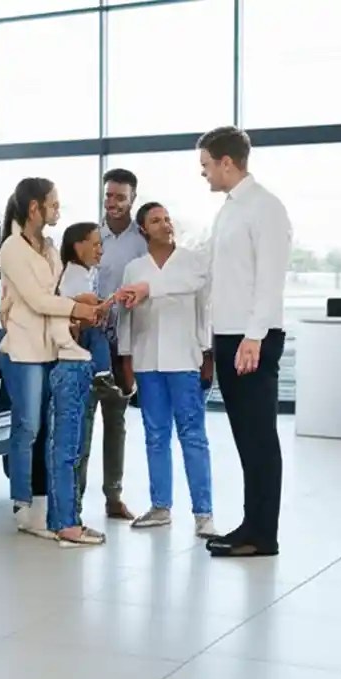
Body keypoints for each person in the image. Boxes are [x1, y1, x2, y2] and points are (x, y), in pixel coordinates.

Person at [119, 127, 292, 558]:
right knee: (246, 439)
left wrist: (254, 336)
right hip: (231, 335)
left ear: (226, 162)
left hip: (252, 339)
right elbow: (203, 274)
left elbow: (271, 278)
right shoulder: (229, 211)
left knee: (260, 439)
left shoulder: (264, 208)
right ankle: (251, 526)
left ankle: (263, 534)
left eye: (206, 166)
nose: (204, 174)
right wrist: (148, 289)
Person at [0, 178, 101, 539]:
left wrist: (77, 308)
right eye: (53, 205)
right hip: (23, 351)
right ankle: (23, 506)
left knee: (45, 428)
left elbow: (51, 294)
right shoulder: (11, 248)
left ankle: (41, 505)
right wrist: (76, 308)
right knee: (27, 428)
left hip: (50, 349)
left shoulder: (51, 248)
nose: (58, 210)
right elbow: (39, 301)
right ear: (33, 208)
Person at [116, 202, 218, 538]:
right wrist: (126, 358)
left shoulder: (193, 262)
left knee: (193, 437)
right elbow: (126, 318)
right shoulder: (134, 268)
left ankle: (204, 513)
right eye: (156, 220)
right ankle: (160, 506)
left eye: (167, 218)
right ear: (143, 229)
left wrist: (207, 352)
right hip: (147, 362)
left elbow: (202, 307)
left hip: (185, 360)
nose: (165, 224)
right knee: (155, 436)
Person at [90, 168, 147, 521]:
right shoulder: (89, 237)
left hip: (124, 343)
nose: (112, 203)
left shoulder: (142, 242)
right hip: (89, 340)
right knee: (81, 421)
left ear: (132, 199)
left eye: (119, 197)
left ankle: (113, 497)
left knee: (116, 421)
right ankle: (72, 501)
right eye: (108, 195)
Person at [56, 222, 116, 519]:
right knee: (77, 439)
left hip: (82, 356)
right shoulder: (74, 274)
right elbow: (79, 311)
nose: (100, 249)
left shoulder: (87, 273)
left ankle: (73, 508)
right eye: (95, 243)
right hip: (76, 359)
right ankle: (69, 510)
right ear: (78, 246)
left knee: (82, 438)